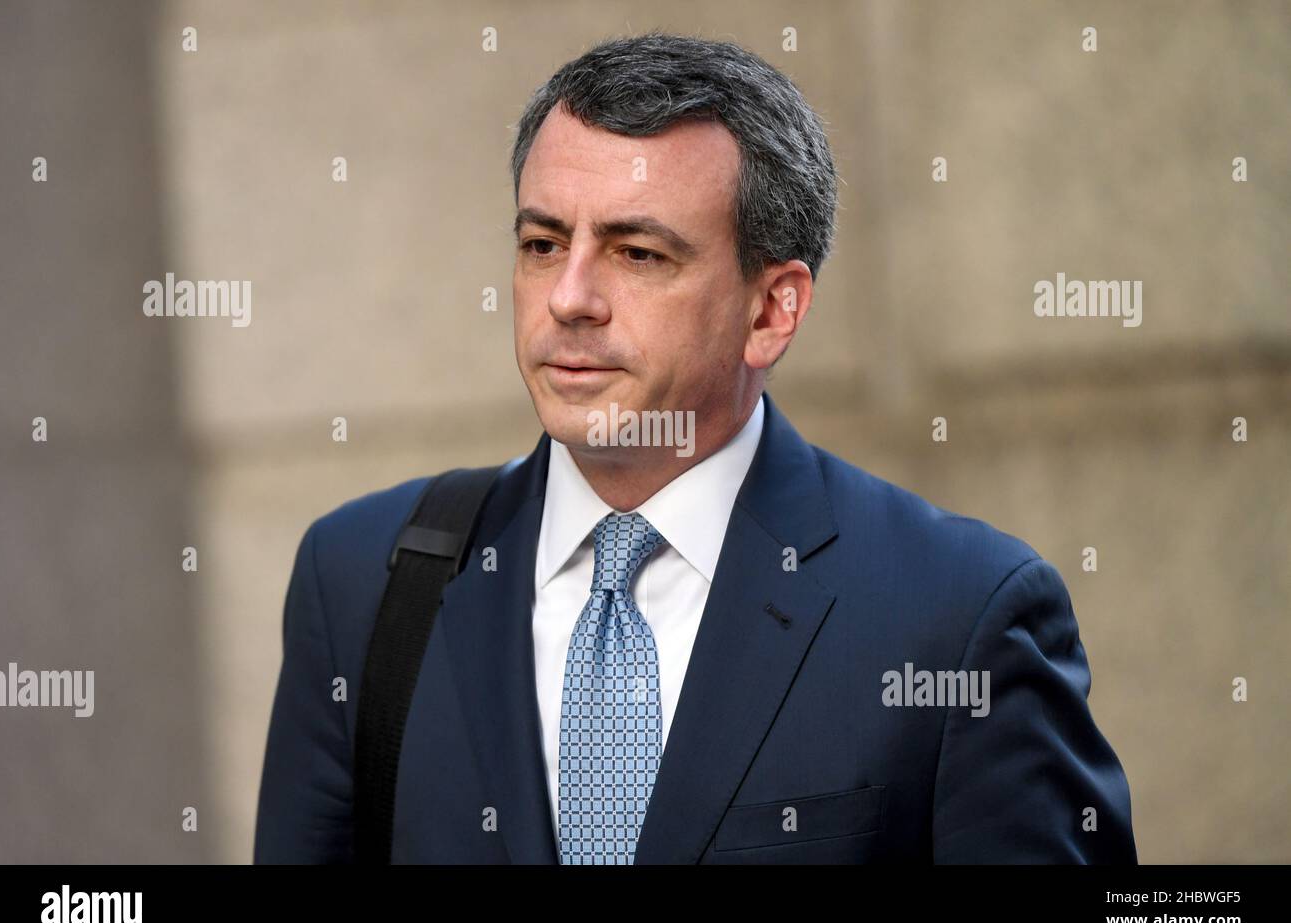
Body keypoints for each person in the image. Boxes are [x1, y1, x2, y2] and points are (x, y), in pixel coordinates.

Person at [255, 32, 1136, 864]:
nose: (569, 297)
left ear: (770, 311)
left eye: (636, 253)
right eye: (542, 243)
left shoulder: (959, 615)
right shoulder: (364, 579)